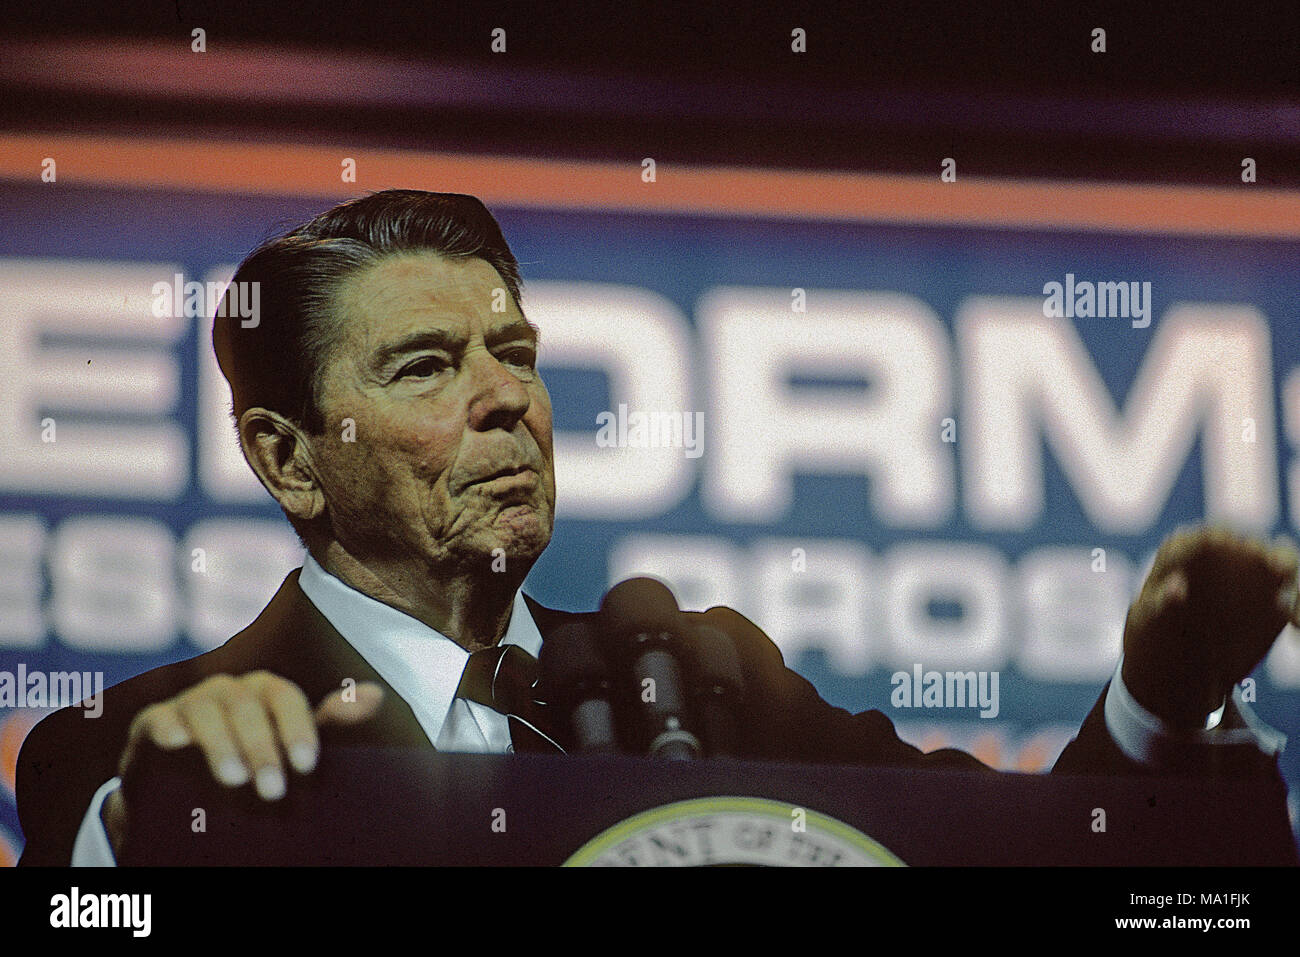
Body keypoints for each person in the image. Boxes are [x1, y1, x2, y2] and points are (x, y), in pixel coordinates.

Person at [15, 190, 1293, 866]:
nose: (505, 396)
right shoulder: (122, 745)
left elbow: (1026, 869)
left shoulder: (708, 678)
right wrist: (148, 832)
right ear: (289, 459)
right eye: (423, 367)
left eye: (514, 354)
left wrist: (1159, 698)